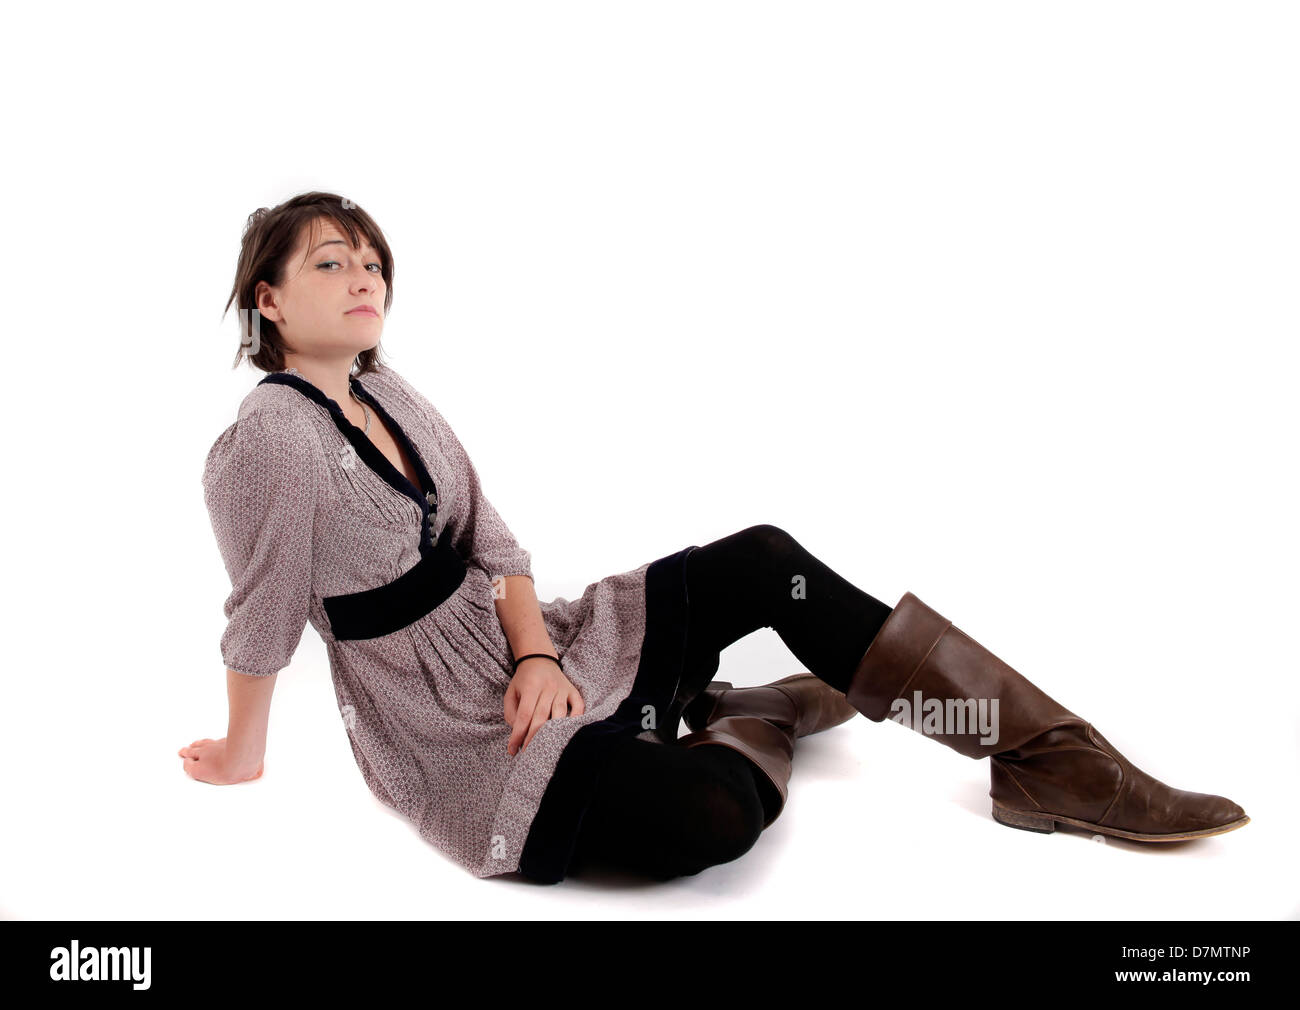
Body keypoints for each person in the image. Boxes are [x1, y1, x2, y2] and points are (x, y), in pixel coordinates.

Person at [181, 192, 1249, 886]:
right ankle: (756, 710)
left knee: (762, 556)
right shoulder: (267, 438)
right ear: (268, 300)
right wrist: (243, 753)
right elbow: (264, 610)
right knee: (713, 813)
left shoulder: (388, 388)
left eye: (372, 261)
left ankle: (1049, 758)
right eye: (330, 264)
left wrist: (542, 653)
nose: (364, 276)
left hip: (528, 655)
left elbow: (493, 541)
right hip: (453, 731)